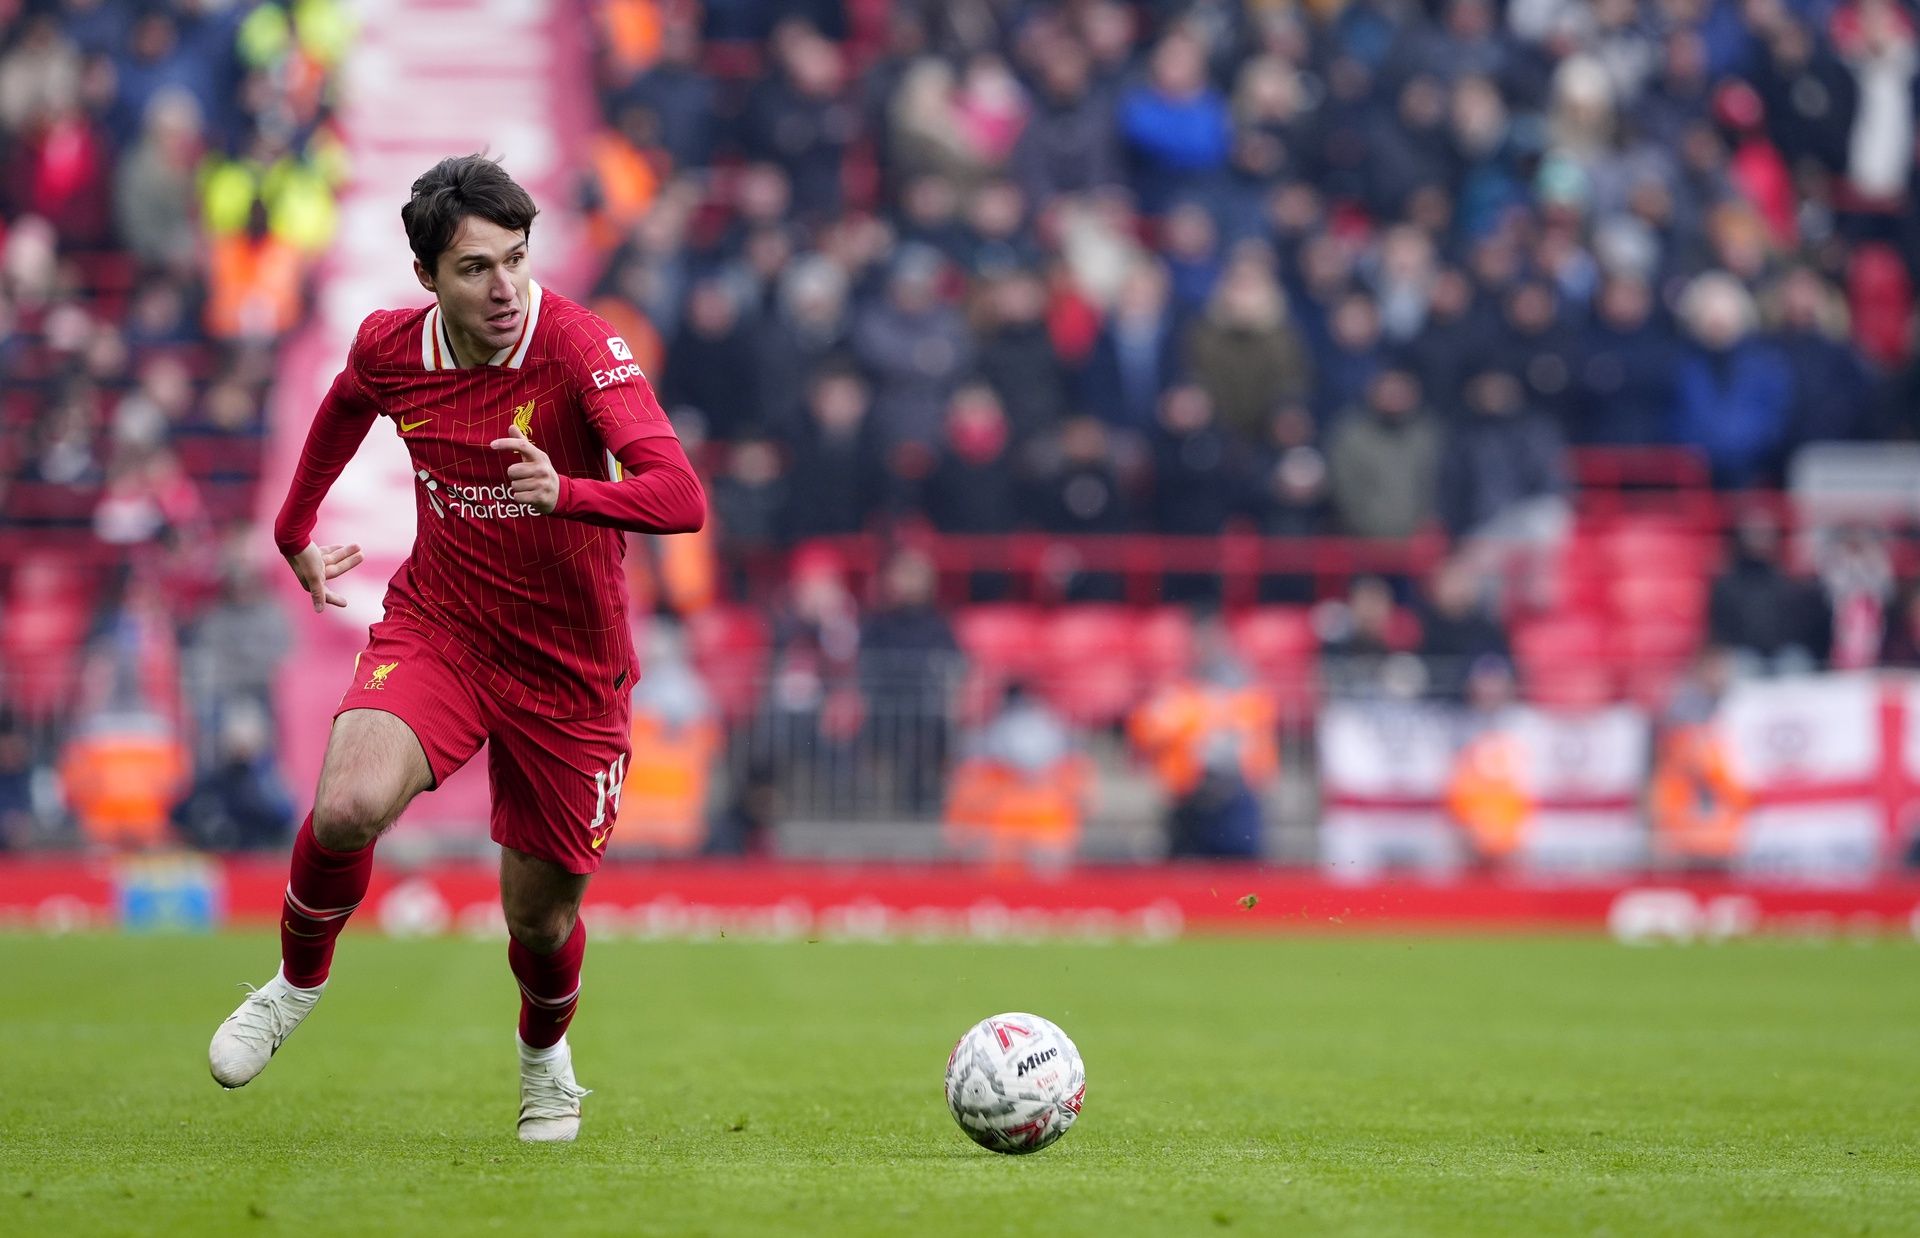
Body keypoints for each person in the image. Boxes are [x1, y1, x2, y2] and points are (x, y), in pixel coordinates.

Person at [206, 156, 706, 1142]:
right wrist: (293, 528)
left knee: (539, 923)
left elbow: (680, 495)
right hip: (445, 627)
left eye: (516, 258)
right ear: (428, 276)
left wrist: (569, 491)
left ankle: (544, 1059)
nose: (505, 286)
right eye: (476, 268)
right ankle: (293, 985)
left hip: (571, 666)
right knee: (346, 804)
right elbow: (344, 404)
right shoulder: (392, 348)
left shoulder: (580, 347)